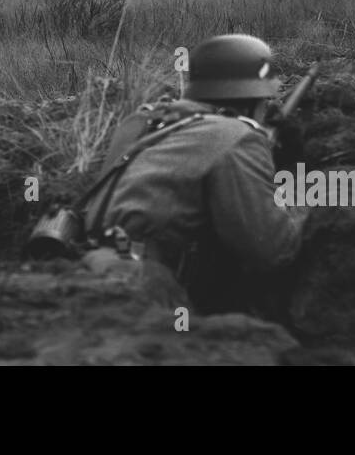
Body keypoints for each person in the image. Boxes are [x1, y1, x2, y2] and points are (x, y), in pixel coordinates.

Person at [78, 34, 308, 314]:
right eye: (264, 101)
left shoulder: (141, 121)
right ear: (250, 101)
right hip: (149, 291)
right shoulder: (236, 136)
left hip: (89, 267)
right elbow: (271, 251)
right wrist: (295, 207)